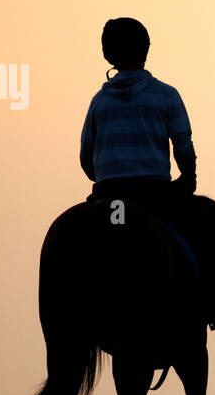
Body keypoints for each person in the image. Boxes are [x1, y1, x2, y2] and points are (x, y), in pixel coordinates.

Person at [79, 18, 200, 261]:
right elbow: (183, 146)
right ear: (146, 49)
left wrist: (111, 176)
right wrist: (188, 177)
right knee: (193, 244)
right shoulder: (166, 95)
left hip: (107, 194)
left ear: (107, 54)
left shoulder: (98, 102)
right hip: (153, 196)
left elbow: (86, 160)